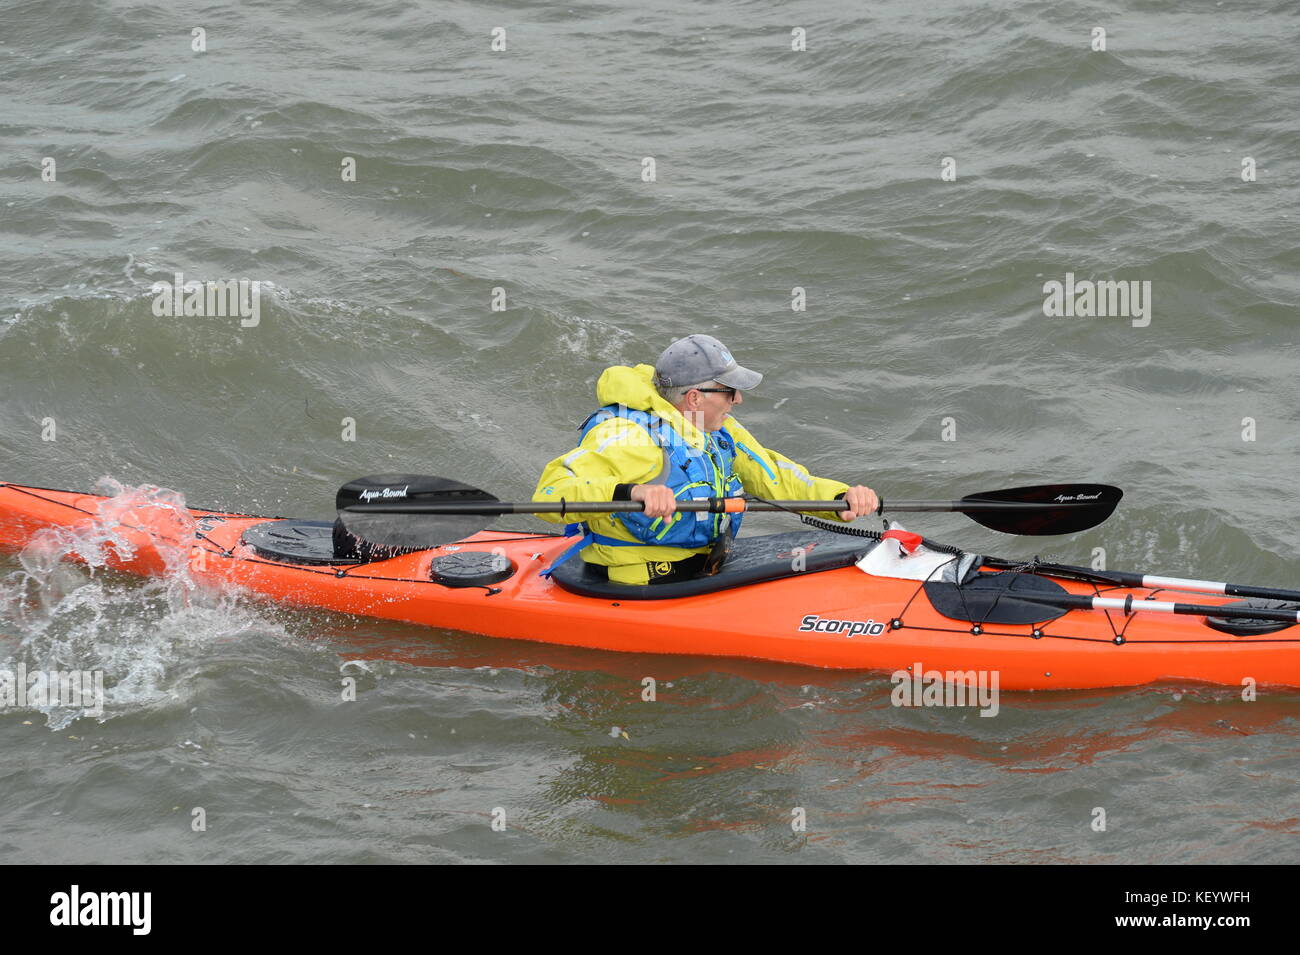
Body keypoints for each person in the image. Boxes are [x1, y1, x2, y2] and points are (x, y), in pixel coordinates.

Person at [533, 334, 880, 585]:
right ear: (696, 398)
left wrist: (837, 499)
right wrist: (629, 492)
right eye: (729, 391)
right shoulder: (628, 436)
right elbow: (550, 494)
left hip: (705, 569)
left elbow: (773, 475)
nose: (739, 399)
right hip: (639, 582)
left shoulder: (718, 428)